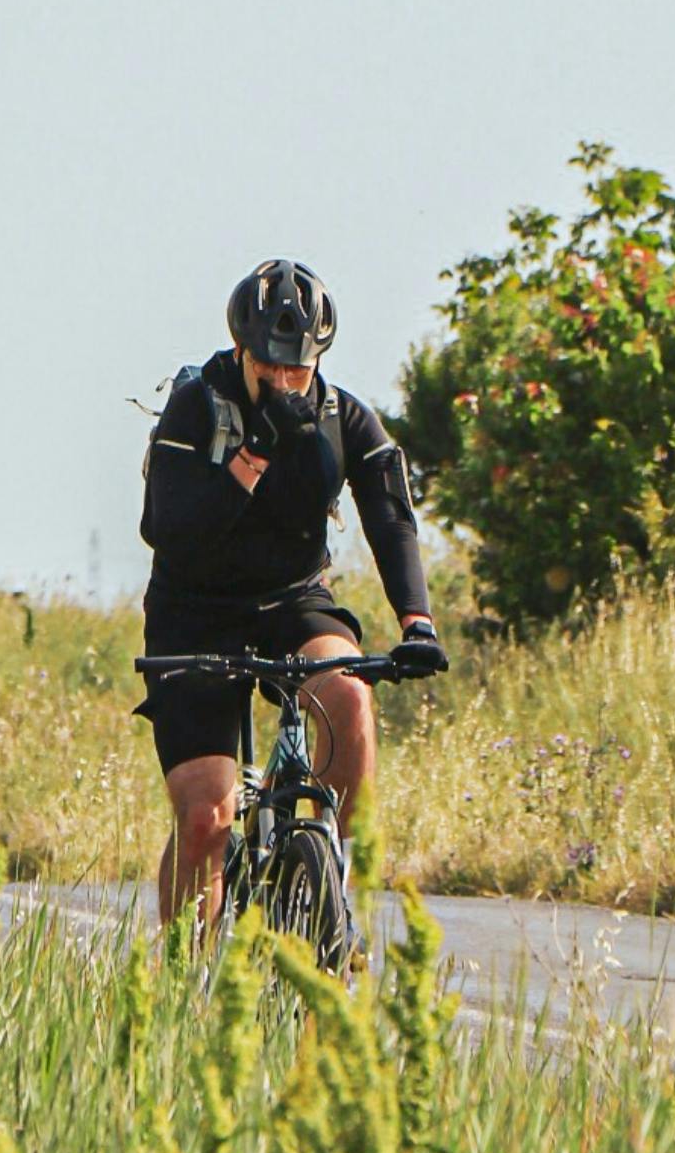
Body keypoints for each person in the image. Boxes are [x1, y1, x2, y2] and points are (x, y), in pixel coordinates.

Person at [138, 258, 446, 929]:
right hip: (194, 610)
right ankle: (183, 979)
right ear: (241, 352)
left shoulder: (341, 416)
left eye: (296, 370)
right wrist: (253, 456)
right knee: (207, 815)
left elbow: (390, 517)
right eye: (268, 366)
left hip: (292, 599)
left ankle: (335, 887)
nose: (282, 382)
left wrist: (417, 622)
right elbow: (171, 531)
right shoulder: (198, 406)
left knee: (350, 696)